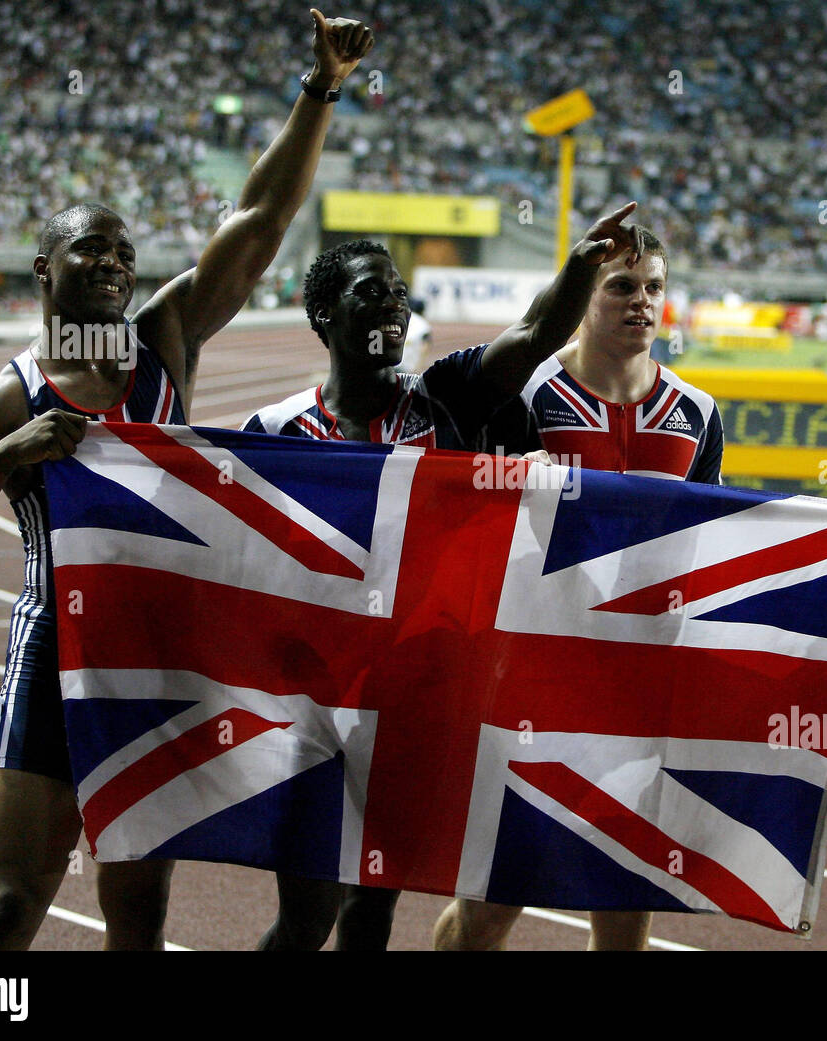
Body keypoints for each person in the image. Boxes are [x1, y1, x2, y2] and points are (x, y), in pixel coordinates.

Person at [0, 9, 374, 951]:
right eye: (92, 249)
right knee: (6, 909)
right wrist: (7, 455)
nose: (115, 264)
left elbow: (259, 222)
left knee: (139, 916)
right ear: (45, 270)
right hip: (53, 650)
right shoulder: (6, 399)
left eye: (124, 252)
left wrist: (320, 87)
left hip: (154, 657)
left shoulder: (162, 343)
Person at [244, 204, 648, 950]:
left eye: (401, 292)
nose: (395, 304)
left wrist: (583, 265)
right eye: (373, 291)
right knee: (309, 913)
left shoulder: (445, 397)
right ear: (326, 314)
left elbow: (533, 337)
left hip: (415, 698)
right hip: (313, 704)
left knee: (373, 907)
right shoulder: (273, 435)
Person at [433, 225, 724, 952]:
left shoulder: (698, 412)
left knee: (624, 907)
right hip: (533, 680)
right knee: (491, 907)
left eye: (653, 286)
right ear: (585, 298)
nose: (641, 302)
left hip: (640, 685)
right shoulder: (525, 395)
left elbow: (710, 547)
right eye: (621, 287)